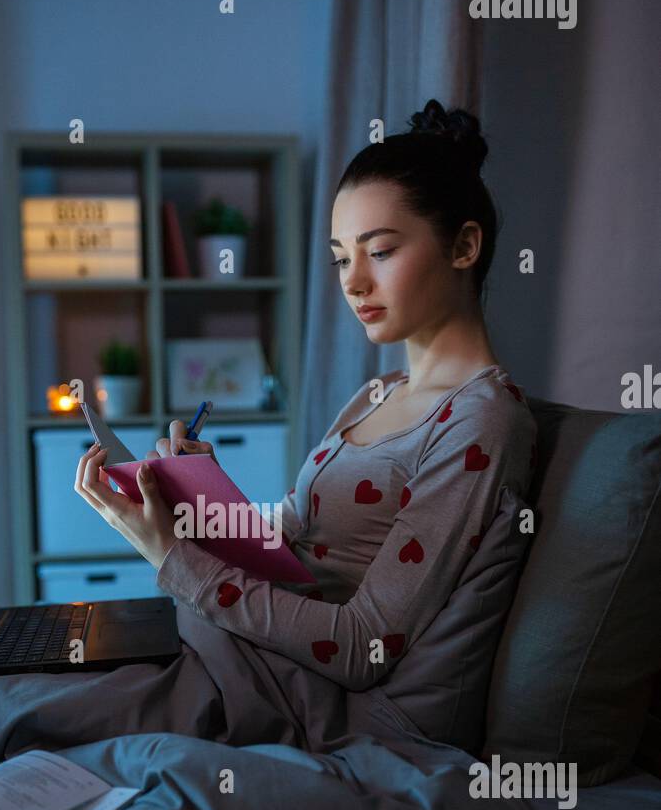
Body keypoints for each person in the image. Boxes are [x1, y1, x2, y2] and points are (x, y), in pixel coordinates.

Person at [73, 98, 536, 697]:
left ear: (464, 247)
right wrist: (196, 497)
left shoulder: (481, 422)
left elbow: (360, 646)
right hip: (239, 652)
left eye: (381, 251)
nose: (353, 281)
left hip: (297, 692)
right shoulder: (380, 394)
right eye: (343, 257)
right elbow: (290, 549)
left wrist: (169, 555)